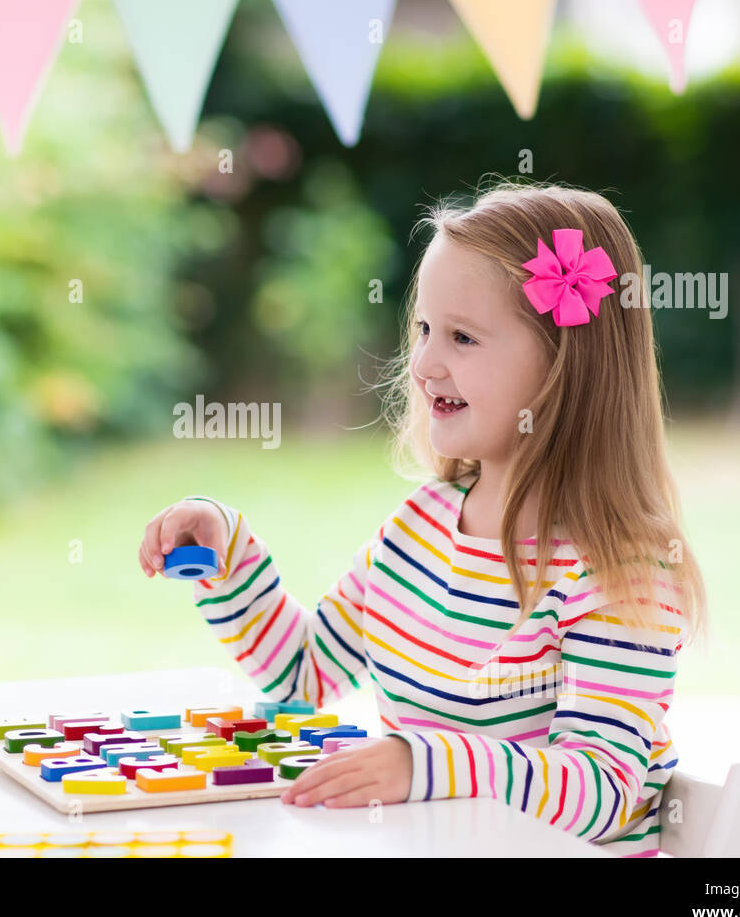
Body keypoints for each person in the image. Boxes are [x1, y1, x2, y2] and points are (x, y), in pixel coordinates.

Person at [137, 180, 709, 857]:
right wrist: (226, 556)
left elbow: (599, 788)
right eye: (425, 330)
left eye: (463, 338)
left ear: (566, 366)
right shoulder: (418, 527)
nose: (425, 364)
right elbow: (305, 673)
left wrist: (425, 765)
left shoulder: (621, 567)